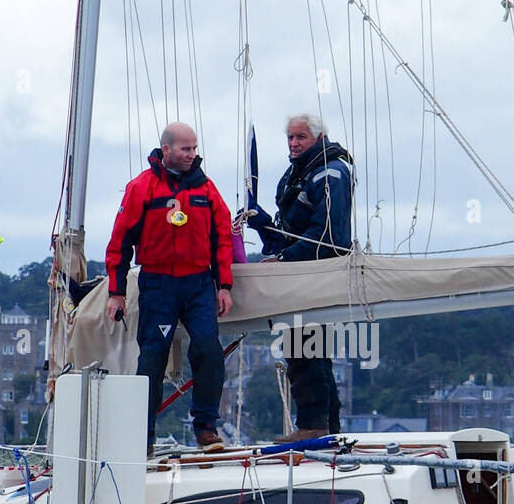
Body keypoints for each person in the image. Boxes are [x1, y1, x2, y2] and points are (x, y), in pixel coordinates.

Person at [105, 122, 233, 453]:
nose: (192, 154)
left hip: (198, 282)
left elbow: (222, 239)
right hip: (159, 282)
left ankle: (206, 427)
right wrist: (116, 292)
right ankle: (142, 436)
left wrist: (224, 286)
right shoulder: (142, 187)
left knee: (208, 348)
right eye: (185, 149)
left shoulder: (206, 189)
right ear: (167, 151)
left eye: (194, 148)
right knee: (152, 357)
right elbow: (120, 242)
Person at [246, 113, 353, 440]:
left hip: (315, 276)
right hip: (301, 271)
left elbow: (327, 237)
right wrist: (264, 225)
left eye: (300, 137)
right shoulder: (301, 173)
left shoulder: (331, 173)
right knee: (310, 353)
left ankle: (313, 425)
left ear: (318, 138)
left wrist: (283, 260)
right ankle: (325, 428)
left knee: (305, 351)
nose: (293, 144)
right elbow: (295, 233)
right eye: (290, 138)